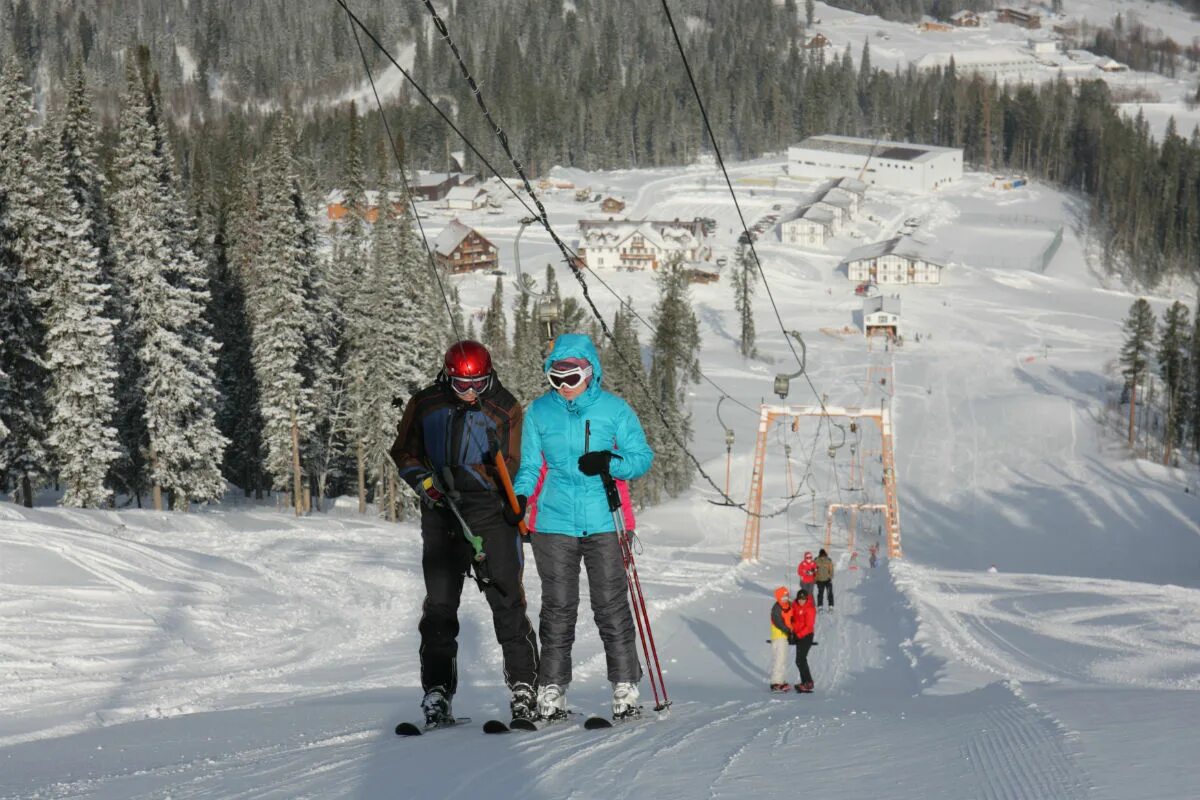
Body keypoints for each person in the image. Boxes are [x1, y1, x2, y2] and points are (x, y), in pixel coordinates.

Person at [390, 340, 539, 727]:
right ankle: (437, 691)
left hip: (489, 512)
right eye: (461, 385)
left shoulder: (504, 406)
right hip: (441, 511)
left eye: (478, 384)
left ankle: (524, 688)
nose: (471, 392)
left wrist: (480, 480)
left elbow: (512, 462)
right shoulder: (426, 403)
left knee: (506, 598)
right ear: (448, 376)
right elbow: (404, 451)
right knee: (439, 605)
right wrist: (424, 481)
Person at [508, 334, 654, 721]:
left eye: (571, 378)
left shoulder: (614, 410)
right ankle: (552, 689)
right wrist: (520, 497)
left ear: (590, 373)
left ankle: (625, 685)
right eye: (556, 379)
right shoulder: (539, 412)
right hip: (553, 522)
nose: (564, 386)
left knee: (610, 605)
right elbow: (530, 467)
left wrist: (610, 461)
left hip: (605, 519)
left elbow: (641, 457)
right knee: (558, 608)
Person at [768, 587, 795, 692]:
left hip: (784, 636)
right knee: (779, 660)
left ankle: (781, 680)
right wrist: (788, 631)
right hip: (778, 637)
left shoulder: (789, 605)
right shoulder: (776, 608)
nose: (785, 599)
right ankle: (776, 683)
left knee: (782, 659)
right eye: (783, 597)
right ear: (778, 597)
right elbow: (779, 622)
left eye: (786, 596)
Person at [791, 587, 817, 693]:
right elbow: (794, 620)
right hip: (798, 635)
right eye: (800, 599)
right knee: (800, 660)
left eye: (803, 599)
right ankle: (805, 682)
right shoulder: (795, 605)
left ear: (806, 599)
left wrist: (799, 635)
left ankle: (808, 682)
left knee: (800, 660)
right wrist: (792, 633)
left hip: (806, 636)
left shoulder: (810, 609)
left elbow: (809, 626)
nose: (801, 601)